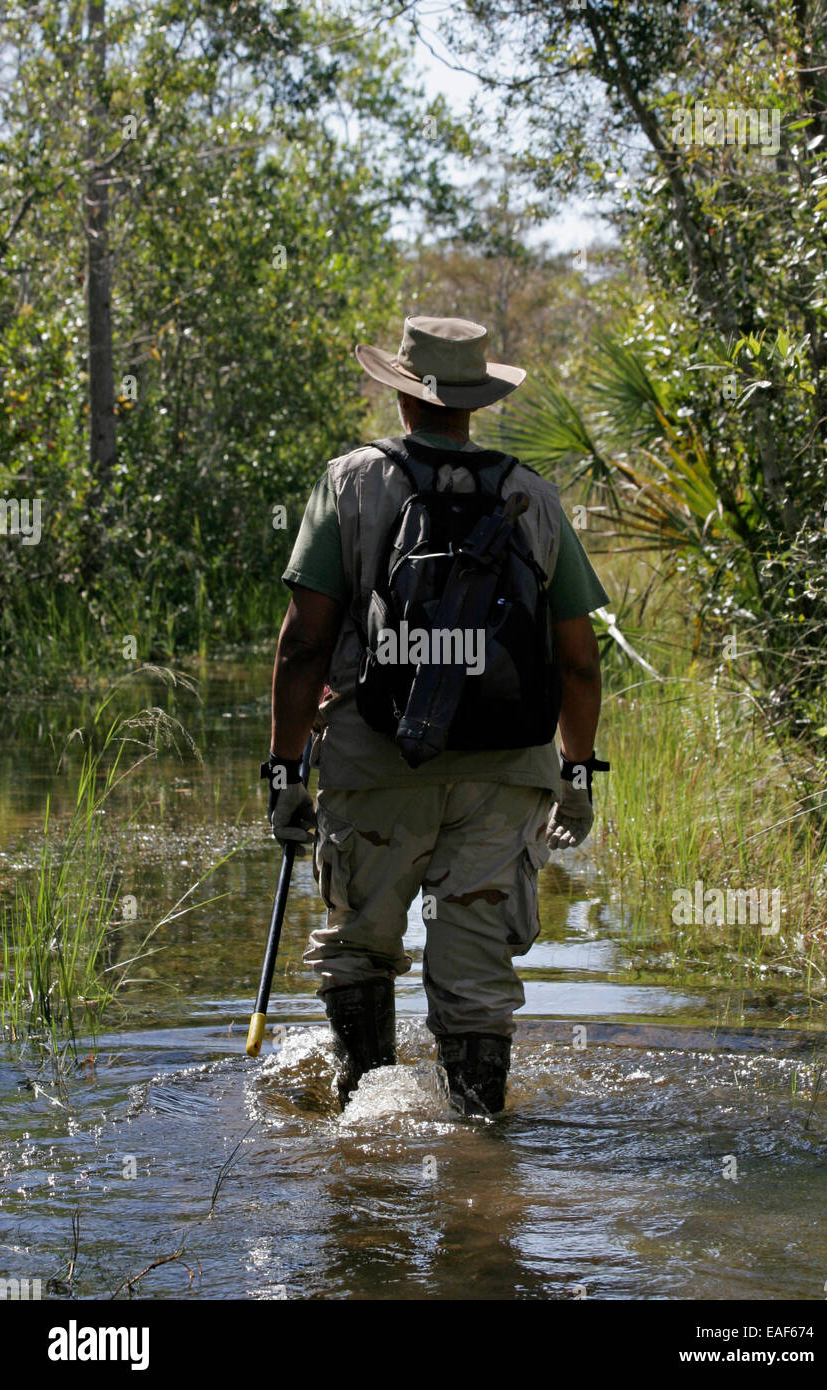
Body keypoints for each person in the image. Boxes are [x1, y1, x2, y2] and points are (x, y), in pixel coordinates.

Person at [260, 316, 609, 1116]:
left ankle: (363, 1134)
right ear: (475, 404)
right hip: (507, 771)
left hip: (377, 760)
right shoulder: (534, 495)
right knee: (479, 977)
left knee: (358, 951)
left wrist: (284, 772)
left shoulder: (350, 483)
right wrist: (577, 773)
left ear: (404, 399)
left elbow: (304, 644)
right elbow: (581, 661)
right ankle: (480, 1153)